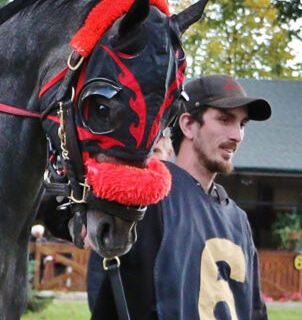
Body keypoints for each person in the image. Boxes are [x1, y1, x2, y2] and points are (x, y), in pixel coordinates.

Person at [87, 74, 272, 319]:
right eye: (225, 120)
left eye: (242, 124)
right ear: (187, 125)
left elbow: (255, 311)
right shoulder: (152, 200)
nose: (237, 135)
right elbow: (113, 299)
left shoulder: (238, 219)